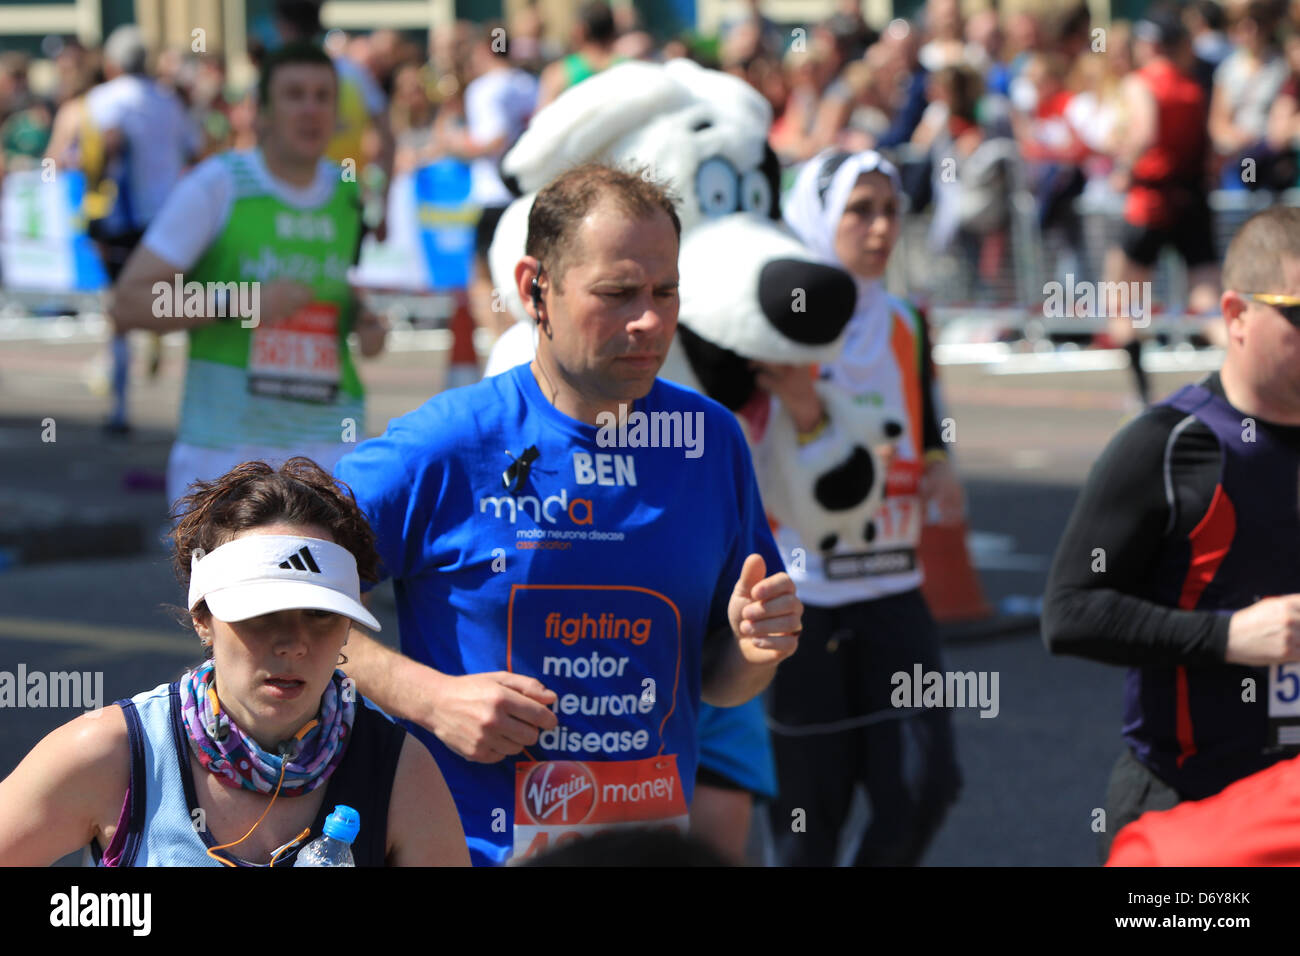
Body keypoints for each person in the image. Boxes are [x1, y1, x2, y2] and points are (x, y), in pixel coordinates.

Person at [334, 163, 802, 866]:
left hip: (638, 850)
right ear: (534, 289)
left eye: (666, 292)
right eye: (616, 293)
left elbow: (718, 679)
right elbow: (270, 594)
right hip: (466, 850)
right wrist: (428, 698)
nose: (649, 320)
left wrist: (756, 650)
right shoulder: (451, 442)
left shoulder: (709, 441)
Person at [0, 458, 468, 866]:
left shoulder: (400, 772)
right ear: (203, 617)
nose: (293, 644)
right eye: (262, 613)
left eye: (321, 614)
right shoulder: (110, 754)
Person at [1044, 205, 1300, 861]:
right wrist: (1227, 637)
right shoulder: (1170, 443)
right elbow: (1069, 612)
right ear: (1237, 314)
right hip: (1190, 805)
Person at [760, 149, 964, 866]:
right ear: (817, 217)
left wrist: (938, 465)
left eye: (889, 211)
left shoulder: (907, 318)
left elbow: (925, 416)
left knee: (925, 784)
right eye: (859, 210)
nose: (881, 228)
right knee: (809, 819)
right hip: (805, 592)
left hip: (894, 587)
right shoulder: (782, 318)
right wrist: (811, 413)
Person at [109, 42, 388, 510]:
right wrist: (246, 301)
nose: (310, 109)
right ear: (260, 113)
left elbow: (335, 295)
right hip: (229, 452)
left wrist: (364, 322)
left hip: (329, 446)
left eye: (323, 96)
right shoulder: (218, 185)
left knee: (343, 586)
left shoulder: (345, 192)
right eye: (294, 95)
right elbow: (130, 303)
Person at [84, 26, 199, 435]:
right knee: (168, 299)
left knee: (118, 307)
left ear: (113, 62)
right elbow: (195, 147)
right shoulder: (168, 101)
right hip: (167, 218)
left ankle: (119, 407)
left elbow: (102, 150)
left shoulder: (103, 99)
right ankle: (156, 343)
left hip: (124, 217)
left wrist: (94, 182)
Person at [1105, 10, 1219, 407]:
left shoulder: (1143, 83)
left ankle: (1140, 395)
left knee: (1122, 299)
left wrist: (1123, 167)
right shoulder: (1194, 87)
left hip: (1150, 203)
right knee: (1207, 296)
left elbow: (1145, 131)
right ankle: (1237, 372)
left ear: (1149, 44)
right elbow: (1210, 146)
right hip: (1191, 200)